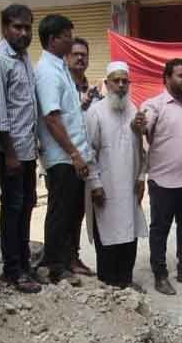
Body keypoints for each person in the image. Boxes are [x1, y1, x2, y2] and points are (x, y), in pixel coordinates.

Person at [0, 4, 43, 294]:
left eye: (27, 27)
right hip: (11, 151)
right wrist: (10, 154)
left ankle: (24, 265)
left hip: (27, 149)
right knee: (13, 208)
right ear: (5, 28)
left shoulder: (23, 58)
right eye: (17, 27)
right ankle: (13, 270)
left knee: (27, 206)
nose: (23, 32)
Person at [137, 58, 182, 295]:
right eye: (180, 75)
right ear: (166, 79)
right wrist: (140, 124)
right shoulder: (155, 105)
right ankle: (160, 274)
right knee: (161, 229)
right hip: (163, 181)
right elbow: (144, 124)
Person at [35, 14, 90, 285]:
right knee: (60, 211)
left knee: (71, 211)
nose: (71, 39)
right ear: (54, 39)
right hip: (61, 157)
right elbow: (52, 118)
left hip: (72, 155)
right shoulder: (46, 72)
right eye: (68, 35)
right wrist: (74, 153)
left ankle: (67, 259)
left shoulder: (60, 69)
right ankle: (55, 265)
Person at [85, 62, 148, 289]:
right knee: (108, 233)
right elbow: (88, 151)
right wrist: (94, 183)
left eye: (125, 81)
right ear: (107, 83)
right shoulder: (95, 112)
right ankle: (108, 283)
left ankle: (126, 280)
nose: (121, 85)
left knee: (129, 233)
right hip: (105, 185)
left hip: (129, 185)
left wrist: (141, 178)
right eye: (116, 80)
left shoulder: (134, 109)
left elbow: (142, 149)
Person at [66, 37, 99, 277]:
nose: (80, 58)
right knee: (66, 211)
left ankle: (74, 255)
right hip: (66, 159)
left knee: (81, 210)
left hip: (90, 161)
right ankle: (63, 258)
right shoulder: (63, 86)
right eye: (75, 54)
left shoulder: (93, 90)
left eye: (84, 54)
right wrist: (82, 105)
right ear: (66, 57)